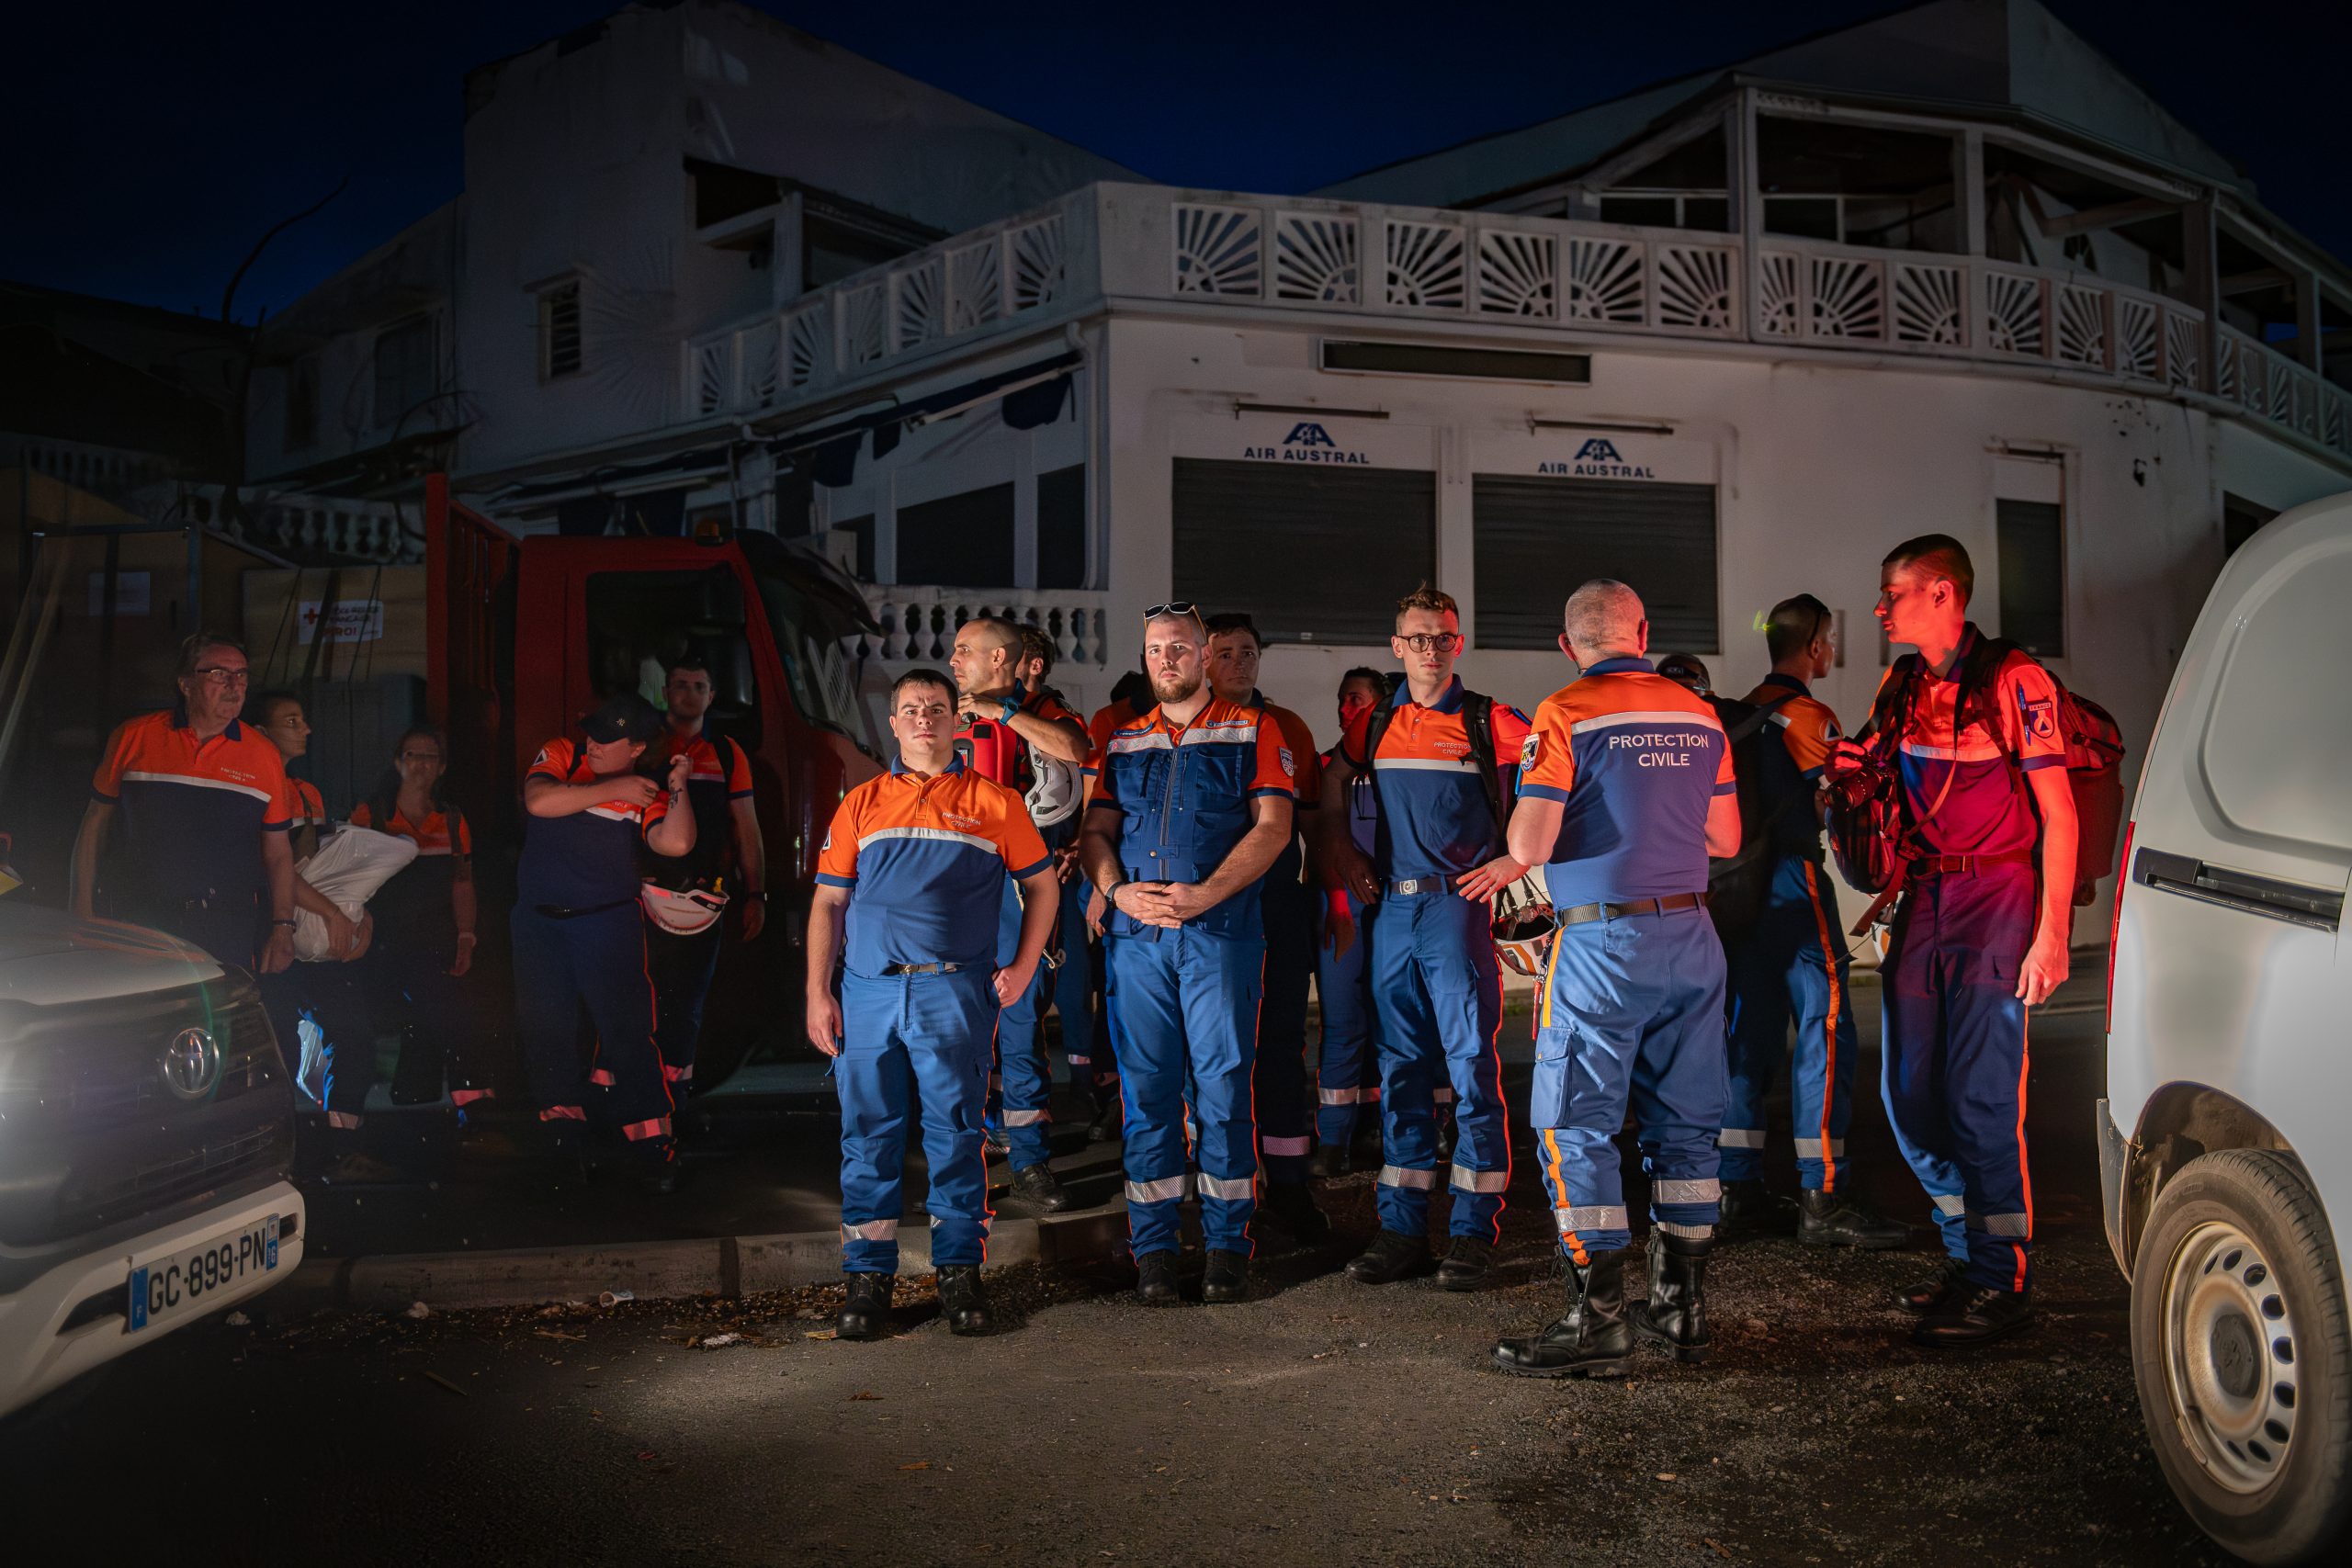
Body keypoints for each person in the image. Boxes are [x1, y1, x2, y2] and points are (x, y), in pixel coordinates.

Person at [1829, 535, 2076, 1348]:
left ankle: (2002, 1278)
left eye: (1892, 592)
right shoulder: (1900, 683)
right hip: (1925, 895)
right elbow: (1870, 776)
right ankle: (1968, 1256)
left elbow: (2060, 814)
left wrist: (2052, 934)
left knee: (1980, 1097)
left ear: (1942, 593)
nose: (1879, 608)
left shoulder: (2016, 679)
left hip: (1998, 896)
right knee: (1907, 1096)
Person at [1491, 581, 1740, 1378]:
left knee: (1574, 1122)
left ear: (1569, 645)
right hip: (1693, 937)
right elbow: (1726, 835)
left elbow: (1529, 845)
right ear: (1643, 631)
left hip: (1603, 943)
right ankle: (1681, 1306)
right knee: (1687, 1124)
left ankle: (1597, 1320)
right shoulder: (1699, 712)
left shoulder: (1564, 711)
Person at [807, 668, 1059, 1340]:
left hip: (954, 989)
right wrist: (817, 991)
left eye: (937, 708)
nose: (925, 717)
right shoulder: (860, 803)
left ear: (956, 721)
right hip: (869, 990)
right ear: (893, 723)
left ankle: (959, 1274)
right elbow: (828, 902)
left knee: (956, 1134)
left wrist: (1023, 966)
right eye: (912, 709)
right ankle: (868, 1280)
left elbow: (1044, 886)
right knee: (868, 1134)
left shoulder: (995, 802)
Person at [1081, 604, 1295, 1305]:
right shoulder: (1124, 739)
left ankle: (1228, 1246)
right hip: (1139, 942)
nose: (1166, 659)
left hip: (1219, 937)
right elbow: (1095, 832)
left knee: (1224, 1088)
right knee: (1146, 1093)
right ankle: (1155, 1251)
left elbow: (1274, 827)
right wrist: (1115, 891)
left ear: (1203, 656)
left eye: (1178, 647)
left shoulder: (1252, 729)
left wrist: (1206, 894)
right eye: (1154, 649)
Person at [1319, 586, 1531, 1290]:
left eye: (1442, 637)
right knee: (1401, 1068)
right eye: (1417, 637)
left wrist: (1517, 859)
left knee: (1470, 1069)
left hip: (1455, 909)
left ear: (1457, 643)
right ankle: (1402, 1229)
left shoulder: (1488, 719)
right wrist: (1343, 851)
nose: (1430, 649)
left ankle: (1472, 1232)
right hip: (1392, 910)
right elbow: (1334, 781)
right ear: (1397, 645)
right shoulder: (1378, 721)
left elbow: (1562, 776)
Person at [1715, 598, 1908, 1248]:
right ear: (1816, 646)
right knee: (1825, 1030)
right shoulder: (1809, 717)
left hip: (1737, 891)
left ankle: (1736, 1188)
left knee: (1748, 1035)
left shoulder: (1736, 714)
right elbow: (1840, 800)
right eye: (1829, 640)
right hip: (1794, 882)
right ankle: (1823, 1192)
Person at [513, 694, 695, 1190]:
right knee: (546, 1027)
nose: (592, 743)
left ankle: (651, 1139)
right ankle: (562, 1131)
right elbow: (539, 801)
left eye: (607, 738)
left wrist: (677, 784)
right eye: (592, 732)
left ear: (636, 748)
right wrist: (613, 788)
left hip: (606, 923)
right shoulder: (562, 754)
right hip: (538, 924)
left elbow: (676, 842)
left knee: (627, 1029)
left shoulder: (646, 790)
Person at [947, 615, 1091, 1213]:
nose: (954, 660)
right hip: (958, 888)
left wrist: (1001, 712)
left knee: (1021, 1018)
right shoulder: (946, 715)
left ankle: (1030, 1160)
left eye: (964, 650)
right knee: (956, 1027)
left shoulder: (1044, 711)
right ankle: (965, 1160)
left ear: (999, 659)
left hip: (1023, 890)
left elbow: (1076, 750)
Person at [1203, 612, 1329, 1242]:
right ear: (1204, 660)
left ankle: (1288, 1182)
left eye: (1248, 651)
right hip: (1211, 911)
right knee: (1213, 1049)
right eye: (1224, 652)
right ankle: (1216, 1183)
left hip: (1278, 905)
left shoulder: (1288, 727)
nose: (1238, 662)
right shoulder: (1183, 730)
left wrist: (1326, 901)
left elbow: (1313, 825)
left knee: (1281, 1043)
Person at [71, 634, 300, 977]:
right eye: (219, 674)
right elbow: (95, 824)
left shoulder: (263, 754)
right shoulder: (135, 736)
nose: (234, 685)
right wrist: (81, 907)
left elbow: (278, 851)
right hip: (140, 916)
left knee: (221, 1009)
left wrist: (283, 927)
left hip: (225, 925)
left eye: (241, 675)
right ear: (186, 684)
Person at [245, 690, 384, 1176]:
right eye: (291, 721)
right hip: (267, 932)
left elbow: (327, 869)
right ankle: (273, 1158)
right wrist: (333, 914)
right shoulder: (248, 789)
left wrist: (356, 913)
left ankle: (343, 1147)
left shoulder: (307, 793)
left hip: (313, 930)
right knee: (276, 1043)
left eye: (303, 719)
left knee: (354, 1033)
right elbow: (274, 869)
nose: (305, 729)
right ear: (261, 733)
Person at [348, 725, 492, 1114]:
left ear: (442, 766)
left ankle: (419, 1099)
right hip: (385, 938)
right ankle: (468, 1094)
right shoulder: (371, 816)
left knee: (434, 1009)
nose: (421, 764)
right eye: (413, 755)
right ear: (398, 762)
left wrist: (466, 935)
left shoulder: (451, 820)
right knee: (439, 1010)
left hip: (436, 936)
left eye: (430, 756)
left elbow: (462, 881)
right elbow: (349, 878)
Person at [645, 657, 768, 1098]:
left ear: (712, 696)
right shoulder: (645, 745)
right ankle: (639, 1099)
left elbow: (747, 829)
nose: (689, 694)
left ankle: (674, 1100)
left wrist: (756, 895)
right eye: (680, 685)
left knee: (687, 1002)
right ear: (665, 693)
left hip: (703, 900)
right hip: (643, 895)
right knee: (641, 999)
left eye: (699, 686)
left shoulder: (727, 753)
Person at [1016, 626, 1114, 1129]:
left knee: (1071, 983)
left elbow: (1087, 776)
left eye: (1006, 656)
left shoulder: (1054, 714)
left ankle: (1082, 1086)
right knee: (1013, 989)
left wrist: (1078, 845)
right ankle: (1013, 1102)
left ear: (1034, 665)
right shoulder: (981, 716)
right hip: (1001, 872)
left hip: (1057, 868)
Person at [1310, 667, 1388, 1175]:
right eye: (1341, 700)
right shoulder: (1326, 767)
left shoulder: (1401, 763)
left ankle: (1388, 1126)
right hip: (1340, 906)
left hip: (1396, 905)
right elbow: (1317, 846)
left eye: (1355, 700)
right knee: (1342, 1021)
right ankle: (1333, 1138)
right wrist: (1336, 904)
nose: (1345, 710)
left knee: (1397, 1019)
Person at [1079, 669, 1155, 1143]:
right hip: (1116, 886)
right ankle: (1115, 1102)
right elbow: (1099, 818)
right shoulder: (1116, 727)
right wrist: (1099, 889)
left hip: (1145, 889)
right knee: (1115, 997)